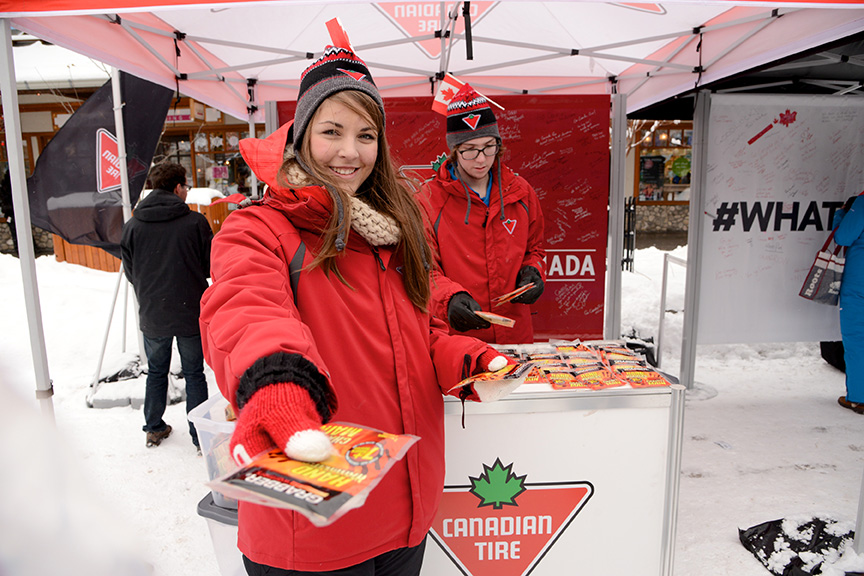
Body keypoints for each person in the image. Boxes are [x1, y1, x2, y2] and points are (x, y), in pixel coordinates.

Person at [198, 43, 515, 575]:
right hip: (316, 523)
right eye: (332, 131)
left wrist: (464, 359)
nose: (351, 151)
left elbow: (410, 334)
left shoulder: (391, 228)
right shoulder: (259, 228)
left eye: (366, 136)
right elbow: (247, 308)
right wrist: (278, 383)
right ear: (300, 135)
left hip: (404, 508)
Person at [418, 84, 546, 344]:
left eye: (489, 147)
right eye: (469, 149)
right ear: (454, 150)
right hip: (459, 338)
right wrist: (449, 298)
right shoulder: (428, 200)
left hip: (515, 335)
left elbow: (536, 249)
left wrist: (534, 271)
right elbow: (422, 270)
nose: (481, 159)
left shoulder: (520, 192)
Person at [120, 162, 213, 449]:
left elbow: (131, 271)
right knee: (195, 373)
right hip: (190, 311)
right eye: (185, 186)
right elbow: (210, 265)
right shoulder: (195, 223)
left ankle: (154, 427)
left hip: (153, 313)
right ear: (177, 188)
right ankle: (200, 437)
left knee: (156, 372)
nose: (186, 191)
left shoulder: (133, 226)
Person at [833, 192, 864, 414]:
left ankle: (859, 398)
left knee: (857, 340)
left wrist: (841, 214)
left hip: (859, 283)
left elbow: (843, 237)